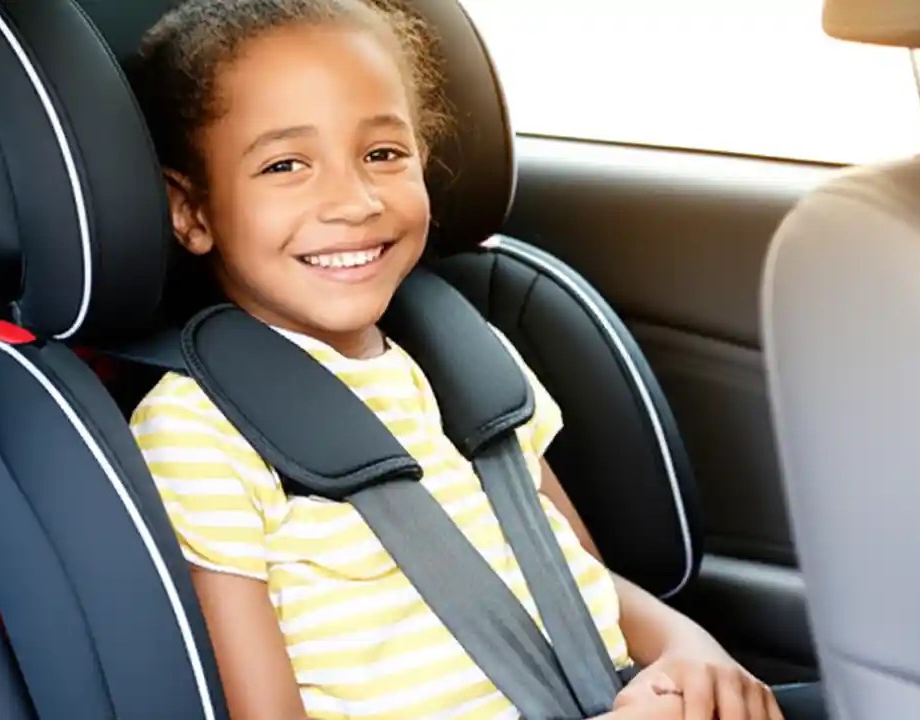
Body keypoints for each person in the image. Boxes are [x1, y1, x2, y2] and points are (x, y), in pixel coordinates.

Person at [126, 1, 798, 718]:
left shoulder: (469, 362)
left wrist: (689, 648)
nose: (353, 200)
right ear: (191, 212)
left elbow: (578, 585)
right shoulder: (198, 434)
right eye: (286, 165)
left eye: (383, 154)